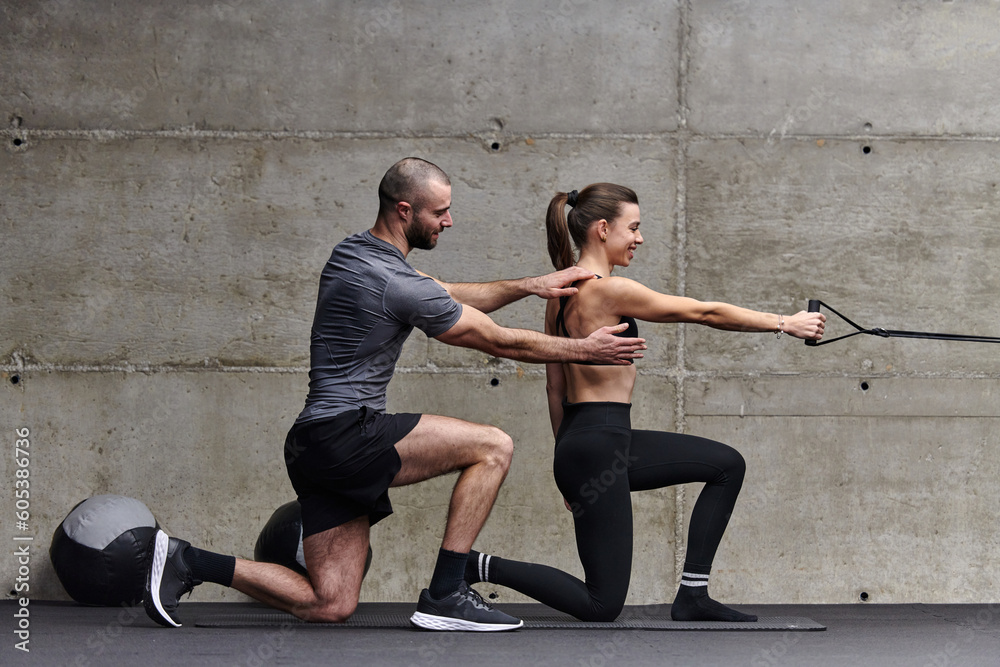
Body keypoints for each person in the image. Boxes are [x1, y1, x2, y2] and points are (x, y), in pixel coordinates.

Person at [142, 159, 646, 632]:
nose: (448, 221)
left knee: (330, 602)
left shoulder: (355, 253)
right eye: (440, 211)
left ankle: (188, 560)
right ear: (404, 210)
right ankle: (448, 591)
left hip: (314, 445)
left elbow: (445, 290)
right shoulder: (393, 280)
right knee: (493, 446)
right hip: (349, 433)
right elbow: (496, 339)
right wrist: (582, 349)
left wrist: (532, 285)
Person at [464, 183, 825, 622]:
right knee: (602, 604)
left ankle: (693, 594)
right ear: (602, 229)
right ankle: (473, 564)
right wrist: (785, 322)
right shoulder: (606, 290)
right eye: (632, 228)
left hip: (591, 444)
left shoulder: (562, 293)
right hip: (599, 445)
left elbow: (553, 389)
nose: (639, 238)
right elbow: (702, 312)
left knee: (727, 464)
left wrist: (568, 463)